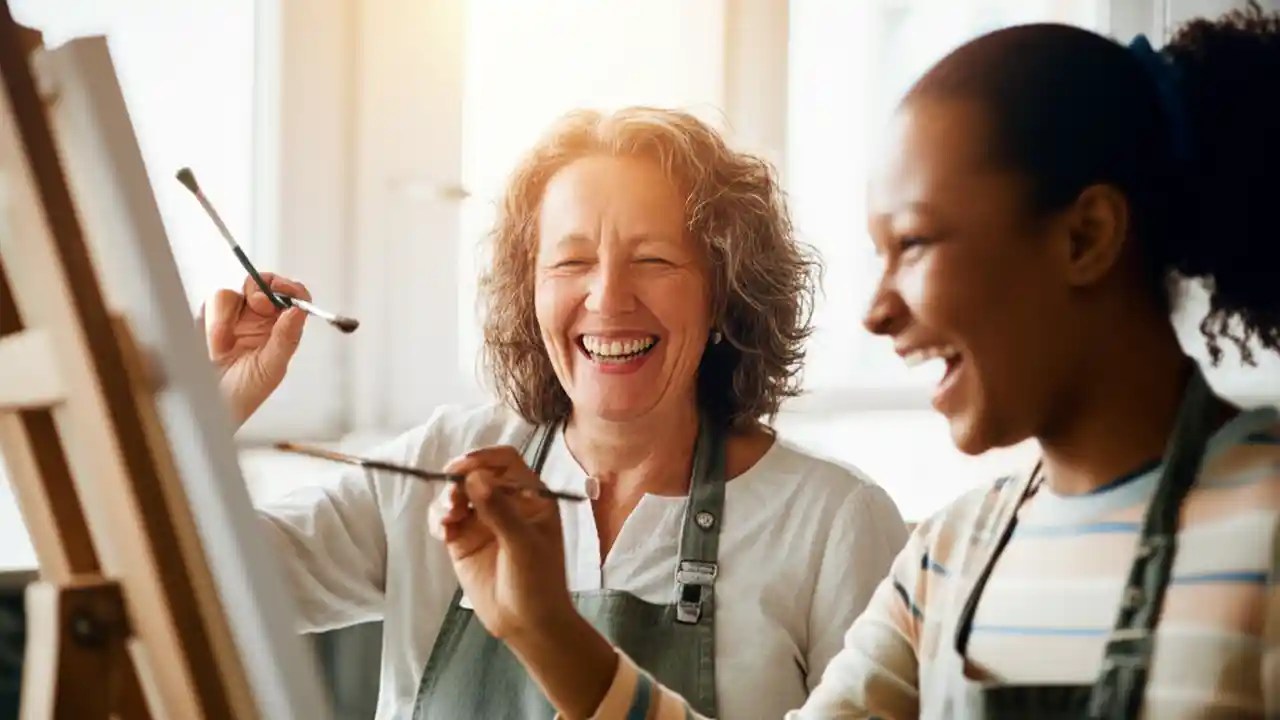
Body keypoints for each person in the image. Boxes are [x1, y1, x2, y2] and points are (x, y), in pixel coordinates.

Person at [433, 7, 1280, 719]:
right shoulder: (952, 556)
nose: (877, 312)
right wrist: (542, 626)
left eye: (915, 244)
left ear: (1085, 236)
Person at [203, 107, 909, 719]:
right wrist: (208, 407)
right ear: (529, 291)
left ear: (726, 292)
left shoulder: (833, 524)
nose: (609, 297)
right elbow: (204, 589)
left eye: (654, 259)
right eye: (571, 262)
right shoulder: (441, 464)